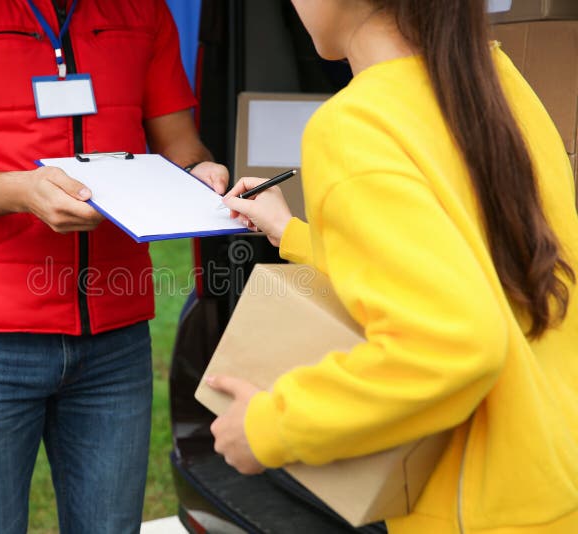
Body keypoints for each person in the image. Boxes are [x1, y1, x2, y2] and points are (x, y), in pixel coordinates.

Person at [206, 0, 578, 533]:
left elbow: (451, 344)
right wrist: (291, 233)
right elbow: (475, 258)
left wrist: (267, 427)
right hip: (552, 483)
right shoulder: (498, 77)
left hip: (472, 511)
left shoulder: (354, 124)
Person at [0, 0, 228, 532]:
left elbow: (180, 146)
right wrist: (21, 191)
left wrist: (203, 175)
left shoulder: (143, 9)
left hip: (116, 338)